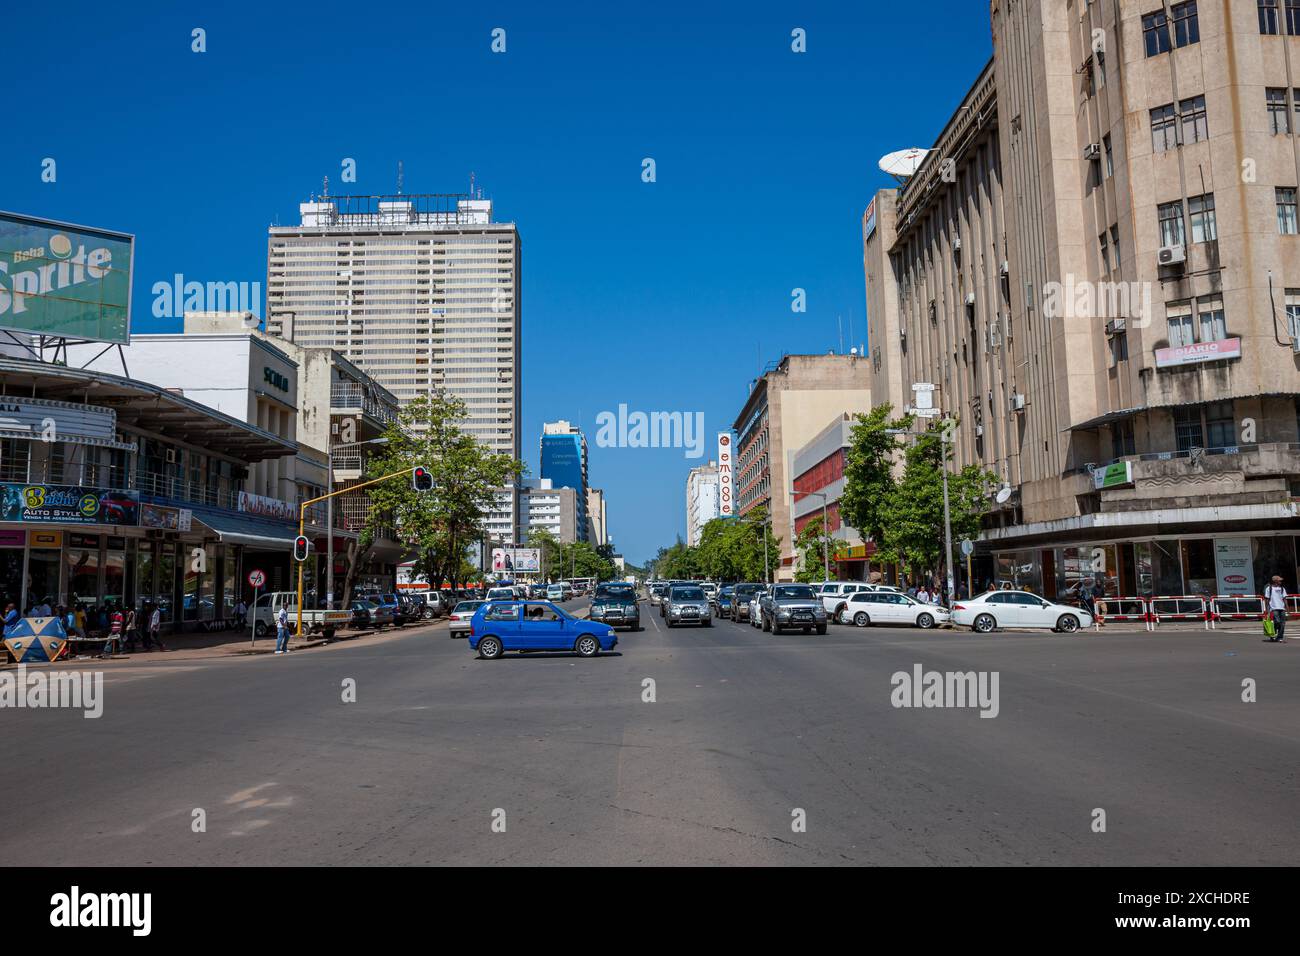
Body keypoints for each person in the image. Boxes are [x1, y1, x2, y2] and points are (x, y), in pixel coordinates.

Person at [1264, 576, 1288, 643]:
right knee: (1277, 622)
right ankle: (1272, 635)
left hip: (1282, 608)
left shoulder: (1282, 588)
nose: (1281, 582)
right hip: (1274, 608)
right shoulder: (1269, 588)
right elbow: (1267, 600)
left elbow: (1284, 599)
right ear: (1275, 581)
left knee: (1282, 624)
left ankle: (1279, 637)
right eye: (1279, 580)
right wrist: (1267, 609)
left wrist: (1287, 608)